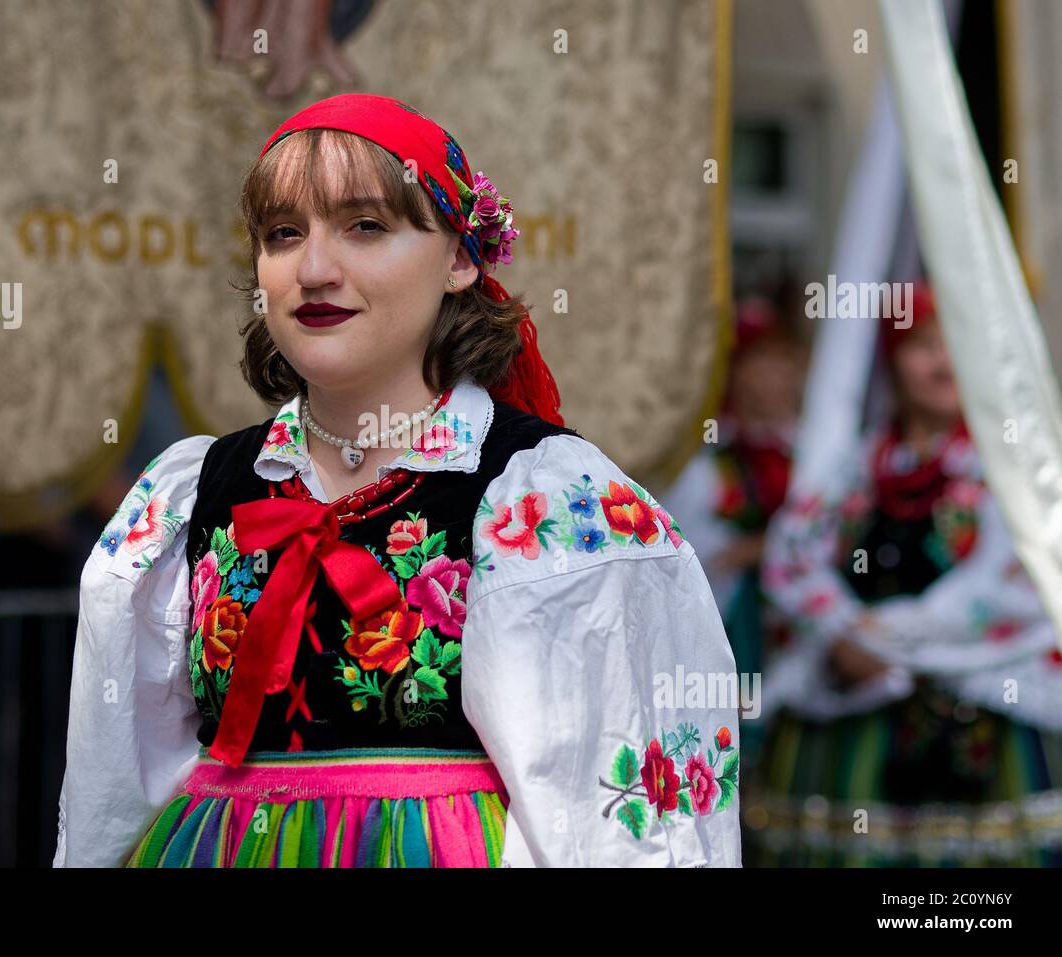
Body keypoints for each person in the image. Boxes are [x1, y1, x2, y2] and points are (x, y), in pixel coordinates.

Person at [55, 93, 741, 868]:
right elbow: (110, 793)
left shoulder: (545, 502)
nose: (313, 269)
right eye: (284, 234)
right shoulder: (188, 494)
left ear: (458, 257)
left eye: (365, 226)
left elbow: (612, 834)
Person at [747, 283, 1062, 866]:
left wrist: (889, 636)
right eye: (922, 345)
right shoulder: (855, 467)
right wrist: (843, 631)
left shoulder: (1016, 475)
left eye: (955, 345)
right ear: (891, 359)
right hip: (855, 707)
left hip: (980, 719)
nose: (942, 362)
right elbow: (795, 559)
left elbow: (1012, 582)